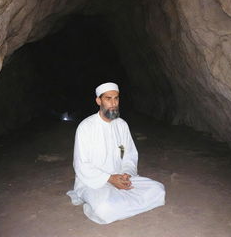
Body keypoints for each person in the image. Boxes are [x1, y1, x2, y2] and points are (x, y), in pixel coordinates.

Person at [67, 82, 165, 224]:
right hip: (94, 182)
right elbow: (81, 165)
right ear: (99, 101)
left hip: (120, 177)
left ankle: (119, 203)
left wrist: (126, 173)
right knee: (105, 209)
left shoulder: (122, 125)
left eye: (116, 98)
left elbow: (129, 155)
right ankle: (104, 204)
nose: (113, 103)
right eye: (108, 98)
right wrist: (109, 178)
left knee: (158, 190)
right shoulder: (86, 127)